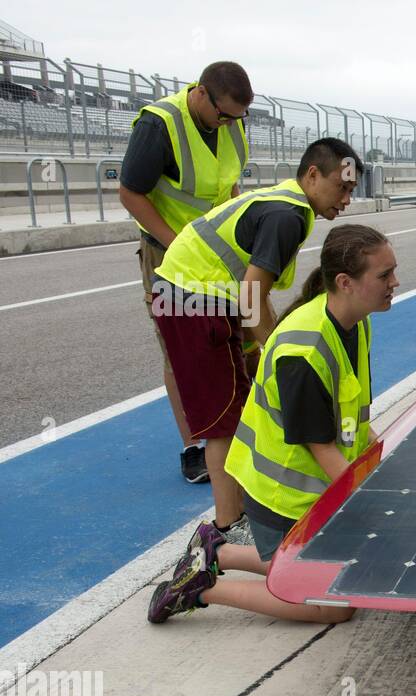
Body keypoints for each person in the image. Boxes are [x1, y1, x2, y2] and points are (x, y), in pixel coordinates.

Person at [147, 225, 397, 625]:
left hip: (313, 491)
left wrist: (383, 458)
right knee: (336, 605)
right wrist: (379, 502)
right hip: (282, 501)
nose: (394, 282)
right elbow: (322, 449)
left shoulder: (356, 321)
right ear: (346, 283)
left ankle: (218, 551)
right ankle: (201, 587)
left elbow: (355, 415)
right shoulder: (304, 351)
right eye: (384, 275)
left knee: (359, 567)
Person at [150, 137, 363, 545]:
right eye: (342, 187)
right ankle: (227, 528)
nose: (347, 200)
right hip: (193, 301)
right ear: (313, 175)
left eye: (352, 190)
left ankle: (241, 507)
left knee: (242, 397)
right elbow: (251, 292)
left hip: (199, 296)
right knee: (224, 417)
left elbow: (254, 289)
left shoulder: (285, 202)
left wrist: (265, 341)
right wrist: (274, 348)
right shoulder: (289, 216)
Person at [118, 62, 252, 484]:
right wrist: (176, 242)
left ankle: (241, 429)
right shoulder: (160, 125)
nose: (228, 123)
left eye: (236, 117)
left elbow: (227, 186)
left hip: (218, 253)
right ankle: (194, 447)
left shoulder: (231, 123)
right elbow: (130, 193)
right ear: (201, 93)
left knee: (234, 334)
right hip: (171, 257)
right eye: (223, 114)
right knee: (182, 349)